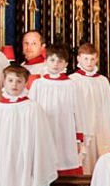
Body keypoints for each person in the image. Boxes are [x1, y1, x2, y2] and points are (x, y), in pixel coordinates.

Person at [28, 44, 85, 176]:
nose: (55, 64)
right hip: (44, 130)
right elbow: (30, 109)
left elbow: (79, 112)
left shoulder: (71, 85)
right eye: (52, 60)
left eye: (60, 61)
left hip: (65, 131)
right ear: (46, 61)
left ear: (65, 64)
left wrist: (78, 138)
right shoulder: (38, 84)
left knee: (65, 159)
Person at [71, 43, 110, 173]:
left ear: (96, 59)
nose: (89, 62)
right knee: (85, 163)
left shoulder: (102, 81)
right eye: (86, 58)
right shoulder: (73, 80)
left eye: (92, 59)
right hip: (83, 128)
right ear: (79, 59)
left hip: (101, 128)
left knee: (102, 160)